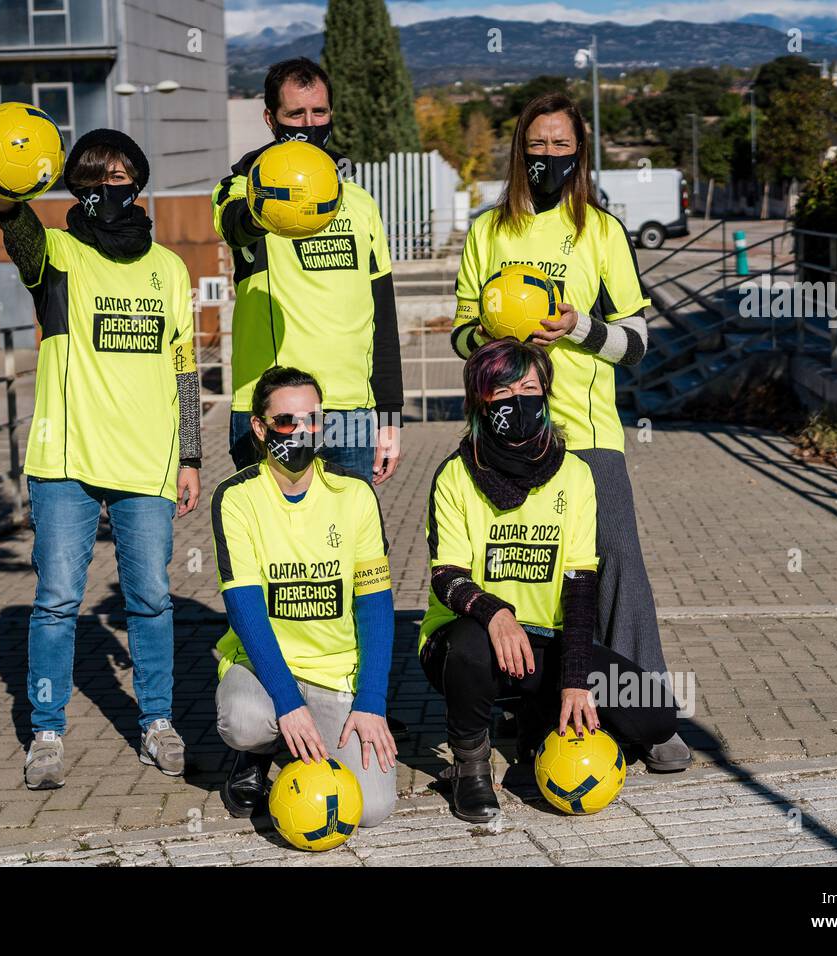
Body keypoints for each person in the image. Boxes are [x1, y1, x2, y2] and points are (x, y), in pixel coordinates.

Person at [447, 92, 690, 771]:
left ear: (580, 153)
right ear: (520, 148)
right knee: (518, 564)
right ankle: (522, 703)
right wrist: (494, 332)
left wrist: (578, 327)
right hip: (503, 434)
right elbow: (462, 332)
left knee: (617, 566)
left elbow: (639, 341)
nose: (549, 156)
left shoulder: (602, 232)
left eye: (562, 146)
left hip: (587, 436)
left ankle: (648, 715)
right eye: (538, 144)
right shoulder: (487, 230)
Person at [0, 128, 201, 789]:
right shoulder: (54, 254)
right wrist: (4, 191)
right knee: (55, 603)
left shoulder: (168, 268)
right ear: (76, 188)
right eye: (97, 179)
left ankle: (158, 722)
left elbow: (184, 366)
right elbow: (16, 229)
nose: (113, 189)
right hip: (65, 461)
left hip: (148, 465)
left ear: (139, 184)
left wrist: (190, 454)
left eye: (124, 177)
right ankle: (46, 731)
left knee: (152, 600)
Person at [421, 338, 681, 823]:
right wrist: (494, 612)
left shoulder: (575, 474)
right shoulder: (454, 475)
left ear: (546, 394)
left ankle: (541, 722)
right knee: (470, 647)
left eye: (529, 387)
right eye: (502, 392)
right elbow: (446, 576)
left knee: (655, 713)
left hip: (545, 641)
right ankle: (471, 766)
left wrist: (576, 679)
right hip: (468, 640)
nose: (517, 401)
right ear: (480, 402)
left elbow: (581, 585)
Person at [209, 366, 398, 827]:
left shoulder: (355, 493)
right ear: (259, 427)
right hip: (266, 669)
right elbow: (245, 606)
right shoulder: (235, 497)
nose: (301, 431)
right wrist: (288, 703)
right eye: (286, 422)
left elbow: (375, 605)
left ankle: (306, 738)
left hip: (336, 672)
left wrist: (371, 700)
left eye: (312, 419)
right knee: (243, 720)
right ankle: (261, 750)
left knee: (372, 810)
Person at [212, 56, 403, 485]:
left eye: (319, 112)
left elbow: (382, 315)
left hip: (351, 412)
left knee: (354, 546)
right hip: (271, 408)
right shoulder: (241, 188)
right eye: (295, 114)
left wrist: (390, 416)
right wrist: (271, 202)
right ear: (270, 119)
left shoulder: (358, 201)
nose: (309, 123)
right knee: (275, 547)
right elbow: (235, 226)